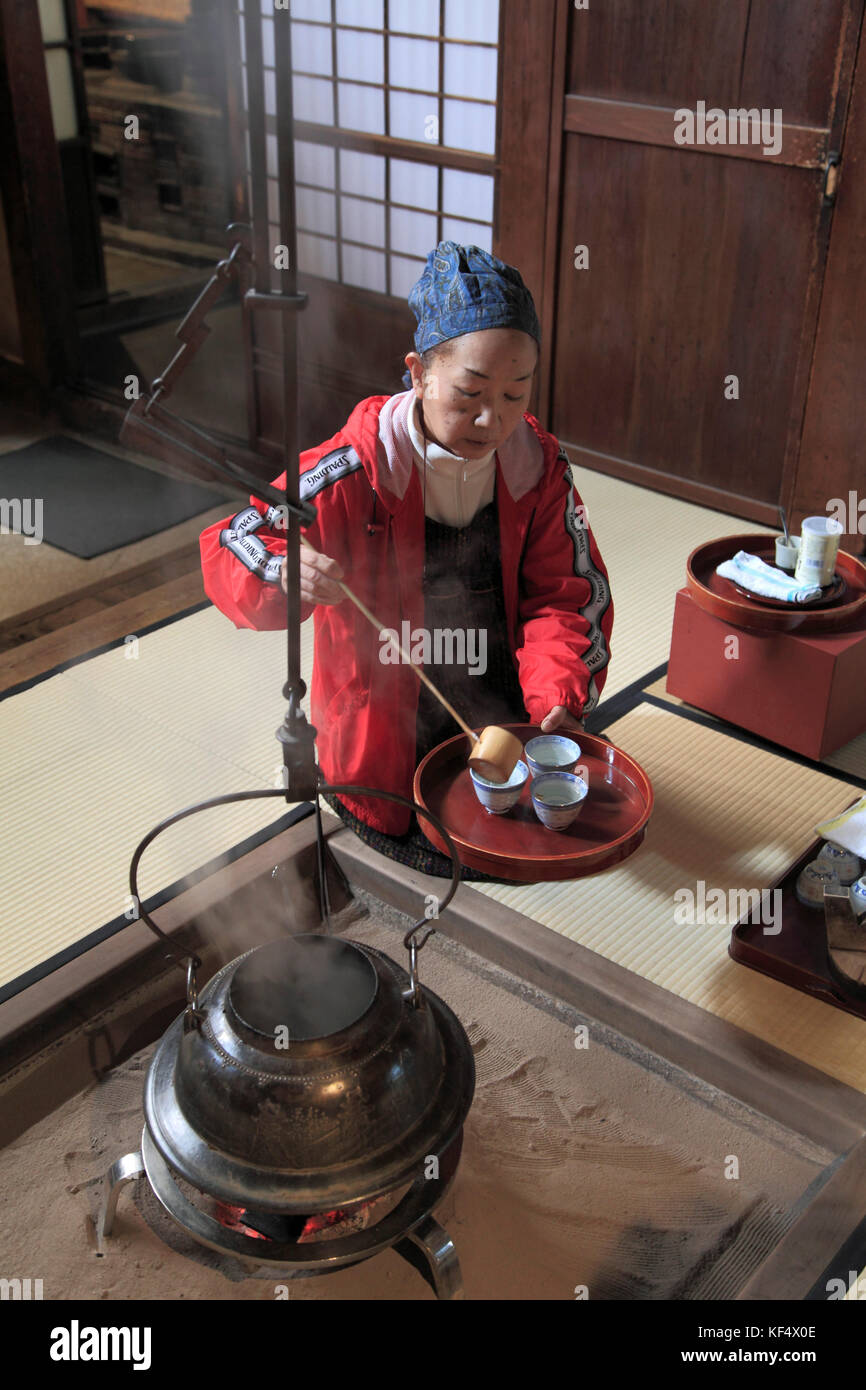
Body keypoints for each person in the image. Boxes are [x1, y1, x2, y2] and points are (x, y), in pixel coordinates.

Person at [200, 242, 613, 876]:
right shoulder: (355, 468)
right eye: (470, 391)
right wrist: (286, 571)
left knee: (535, 827)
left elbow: (567, 595)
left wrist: (558, 694)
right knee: (416, 826)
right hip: (381, 724)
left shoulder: (538, 469)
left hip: (504, 697)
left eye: (515, 394)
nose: (491, 418)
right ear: (418, 372)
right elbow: (237, 539)